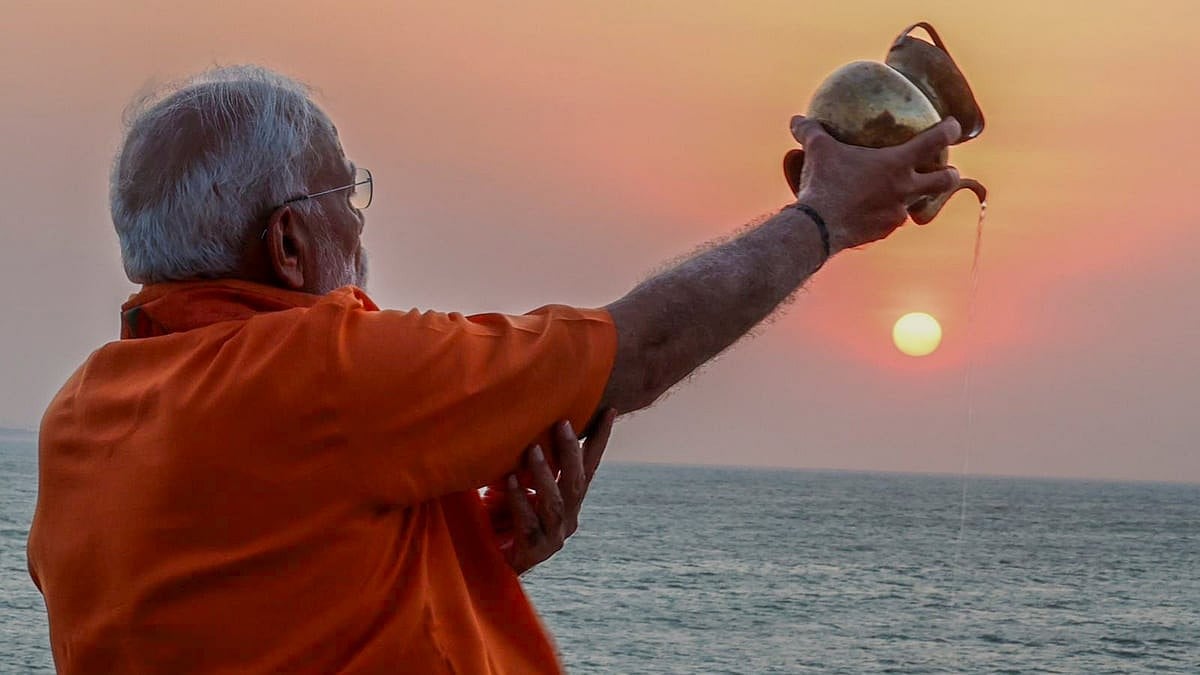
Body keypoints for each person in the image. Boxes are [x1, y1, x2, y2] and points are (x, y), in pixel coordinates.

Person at [27, 65, 962, 674]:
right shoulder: (320, 368)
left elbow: (245, 595)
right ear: (288, 243)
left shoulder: (83, 417)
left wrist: (466, 545)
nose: (361, 219)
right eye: (345, 191)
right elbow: (633, 350)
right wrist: (825, 218)